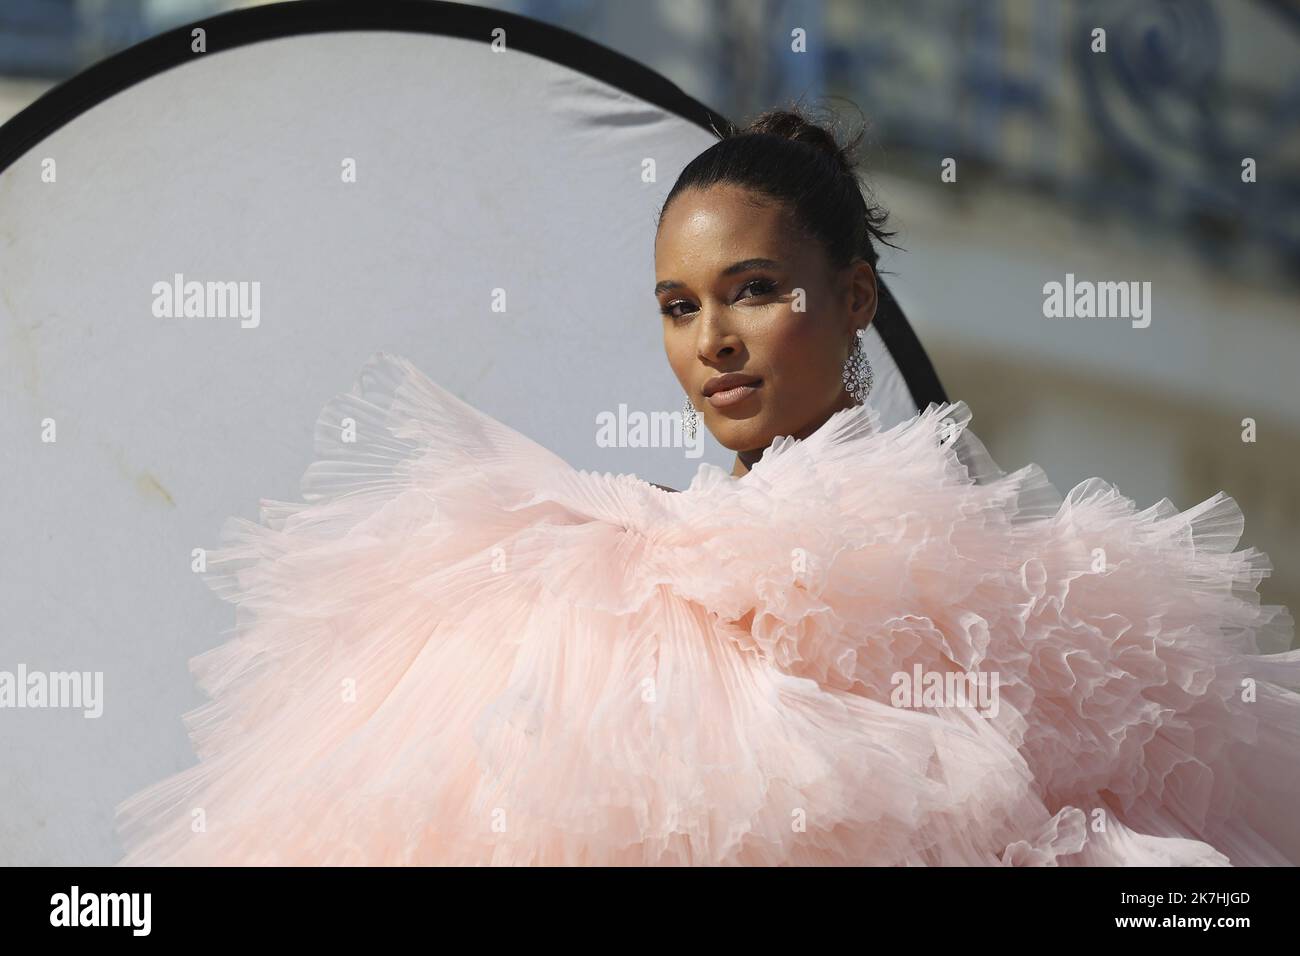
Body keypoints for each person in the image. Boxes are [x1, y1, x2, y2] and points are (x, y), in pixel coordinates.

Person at [113, 106, 1300, 866]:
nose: (711, 340)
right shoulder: (595, 590)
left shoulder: (1011, 584)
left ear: (851, 300)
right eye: (679, 307)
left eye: (749, 290)